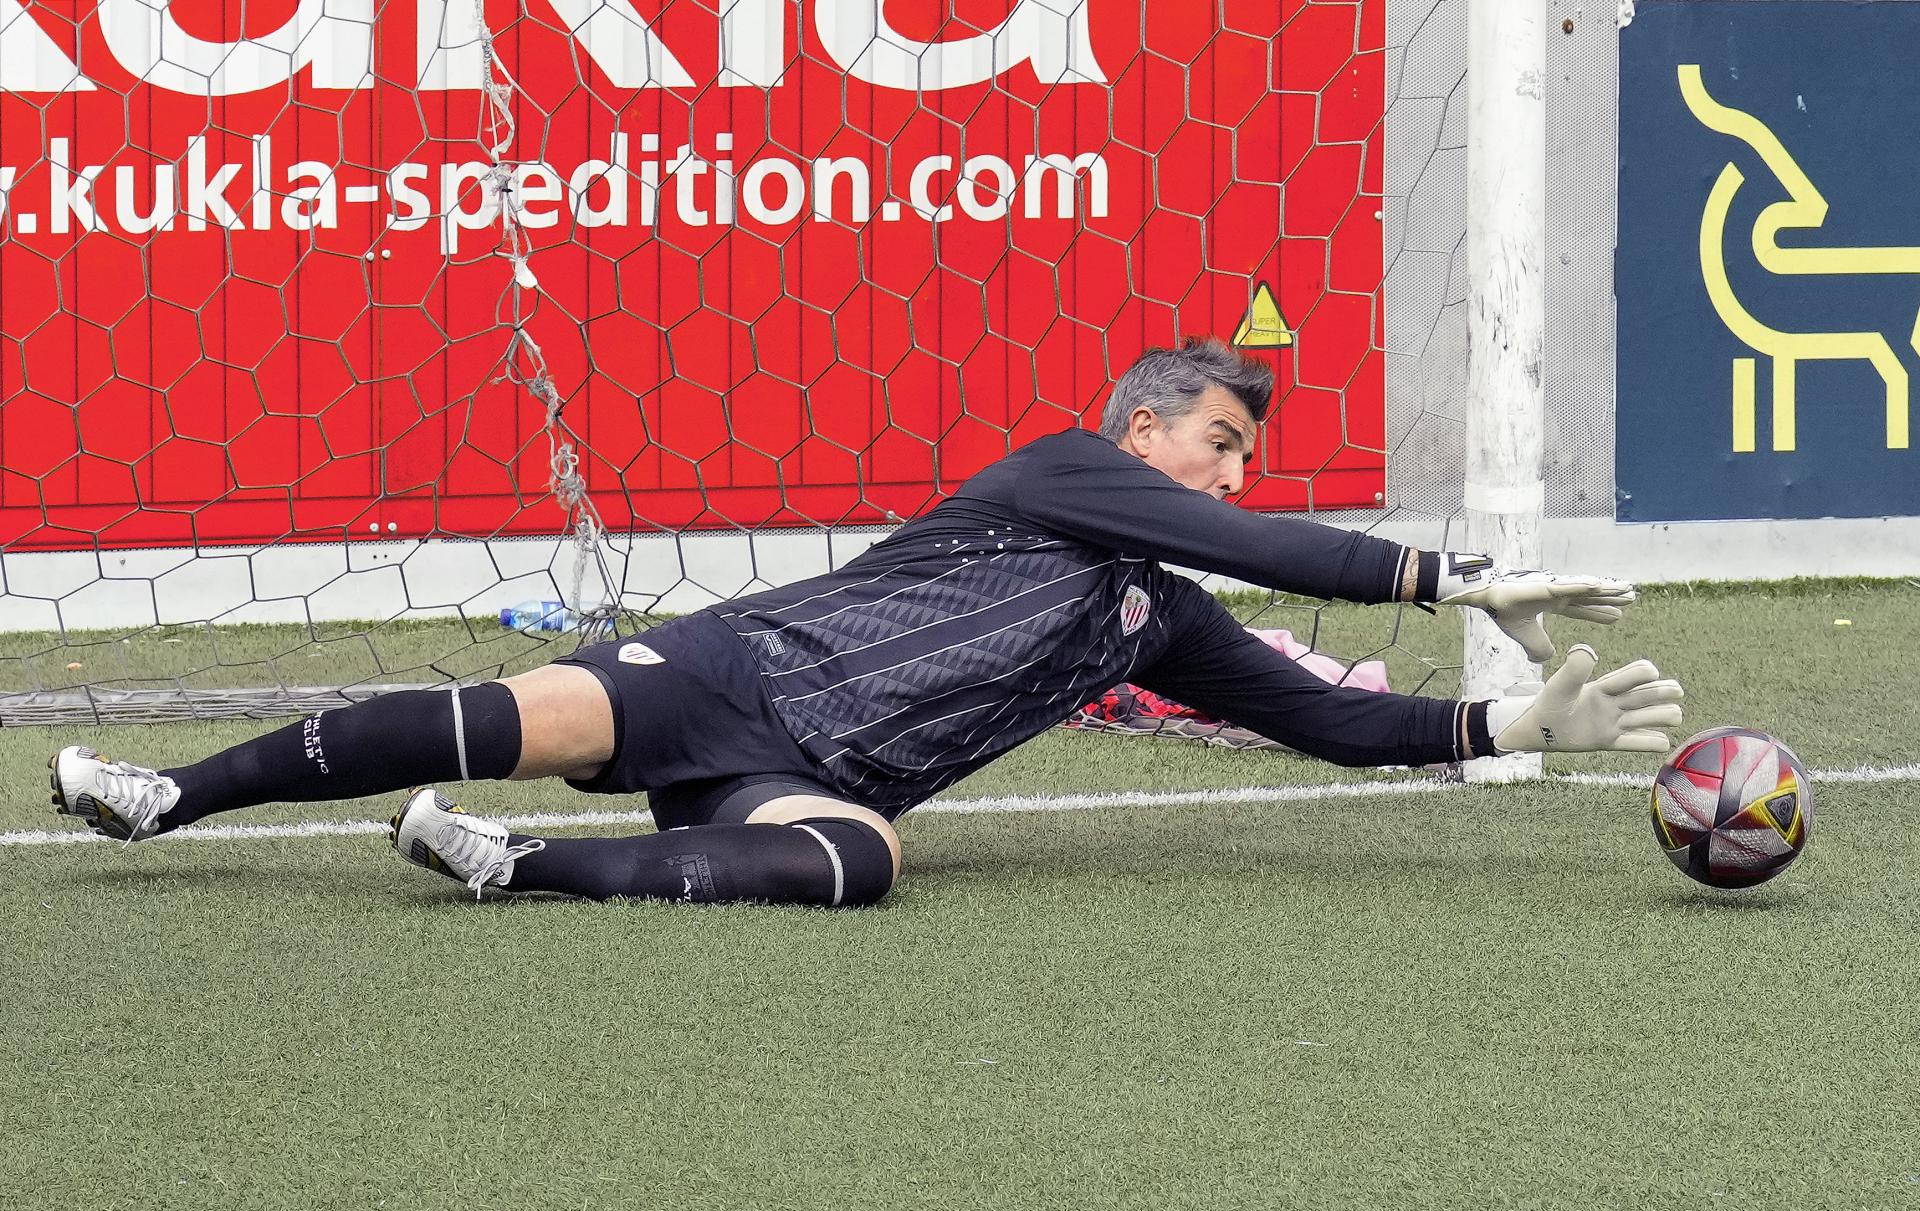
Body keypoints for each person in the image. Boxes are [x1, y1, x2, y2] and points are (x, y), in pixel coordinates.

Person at [49, 340, 1683, 907]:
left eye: (1245, 458)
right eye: (1223, 439)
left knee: (861, 866)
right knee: (511, 709)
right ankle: (169, 794)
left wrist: (1512, 729)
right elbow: (1247, 544)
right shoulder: (1064, 472)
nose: (1236, 472)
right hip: (726, 673)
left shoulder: (1151, 616)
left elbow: (1326, 719)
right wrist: (1449, 579)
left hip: (808, 774)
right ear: (1144, 433)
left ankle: (510, 865)